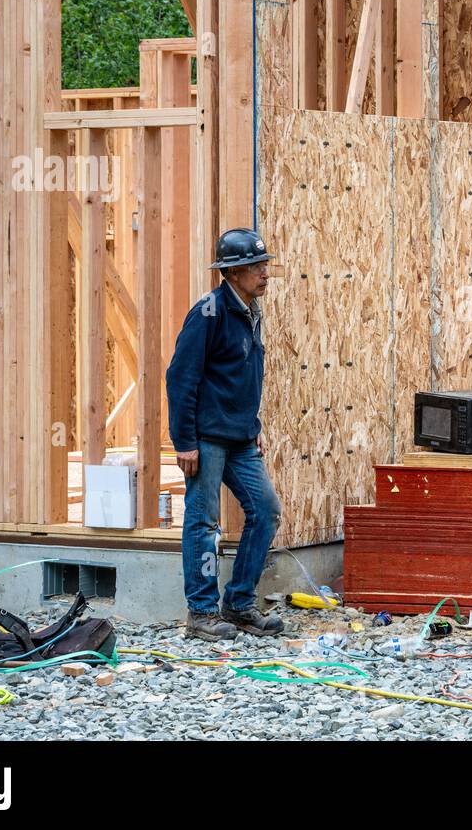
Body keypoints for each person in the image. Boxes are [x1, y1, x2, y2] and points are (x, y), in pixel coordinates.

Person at [166, 228, 285, 640]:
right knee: (204, 522)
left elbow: (243, 378)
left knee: (266, 510)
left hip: (240, 438)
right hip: (207, 439)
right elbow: (180, 377)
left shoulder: (250, 311)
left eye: (265, 263)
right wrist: (184, 441)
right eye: (256, 266)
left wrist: (253, 428)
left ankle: (238, 604)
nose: (265, 272)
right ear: (233, 273)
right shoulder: (208, 314)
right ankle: (201, 613)